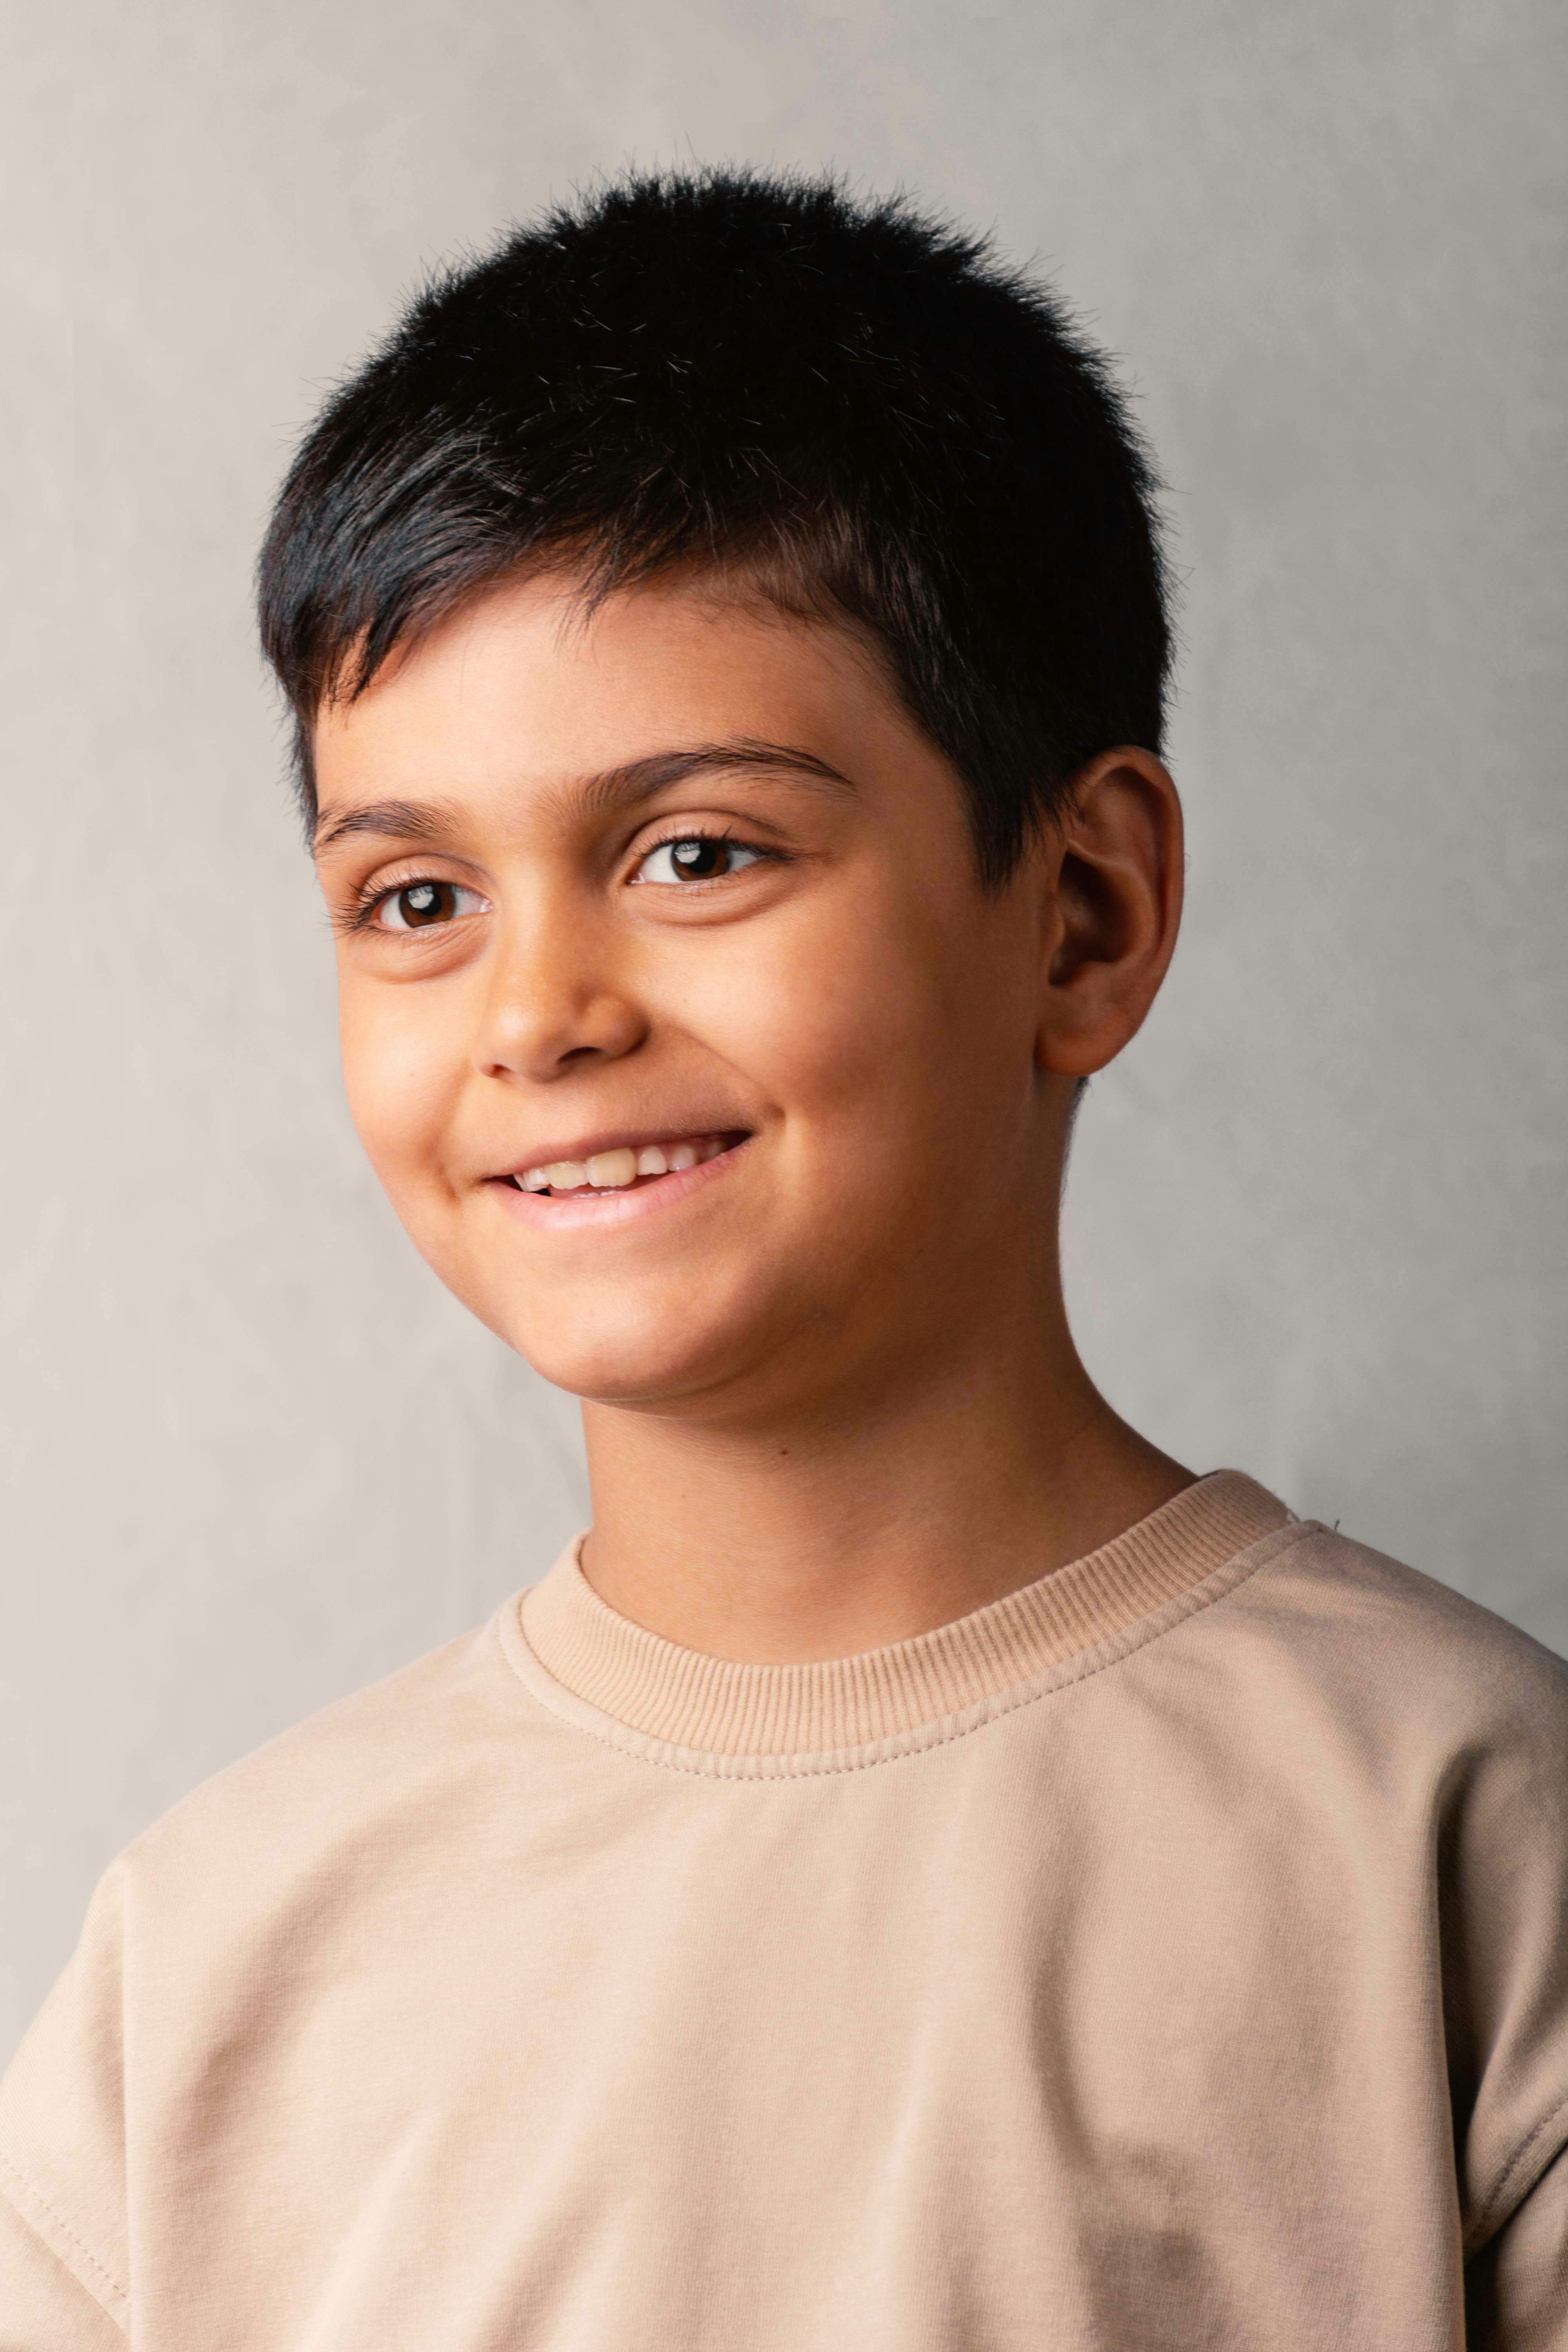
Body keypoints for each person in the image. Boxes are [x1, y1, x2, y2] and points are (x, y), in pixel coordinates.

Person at [2, 165, 1563, 2350]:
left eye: (697, 853)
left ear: (1085, 914)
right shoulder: (206, 1974)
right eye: (418, 900)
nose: (540, 1015)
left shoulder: (1462, 1842)